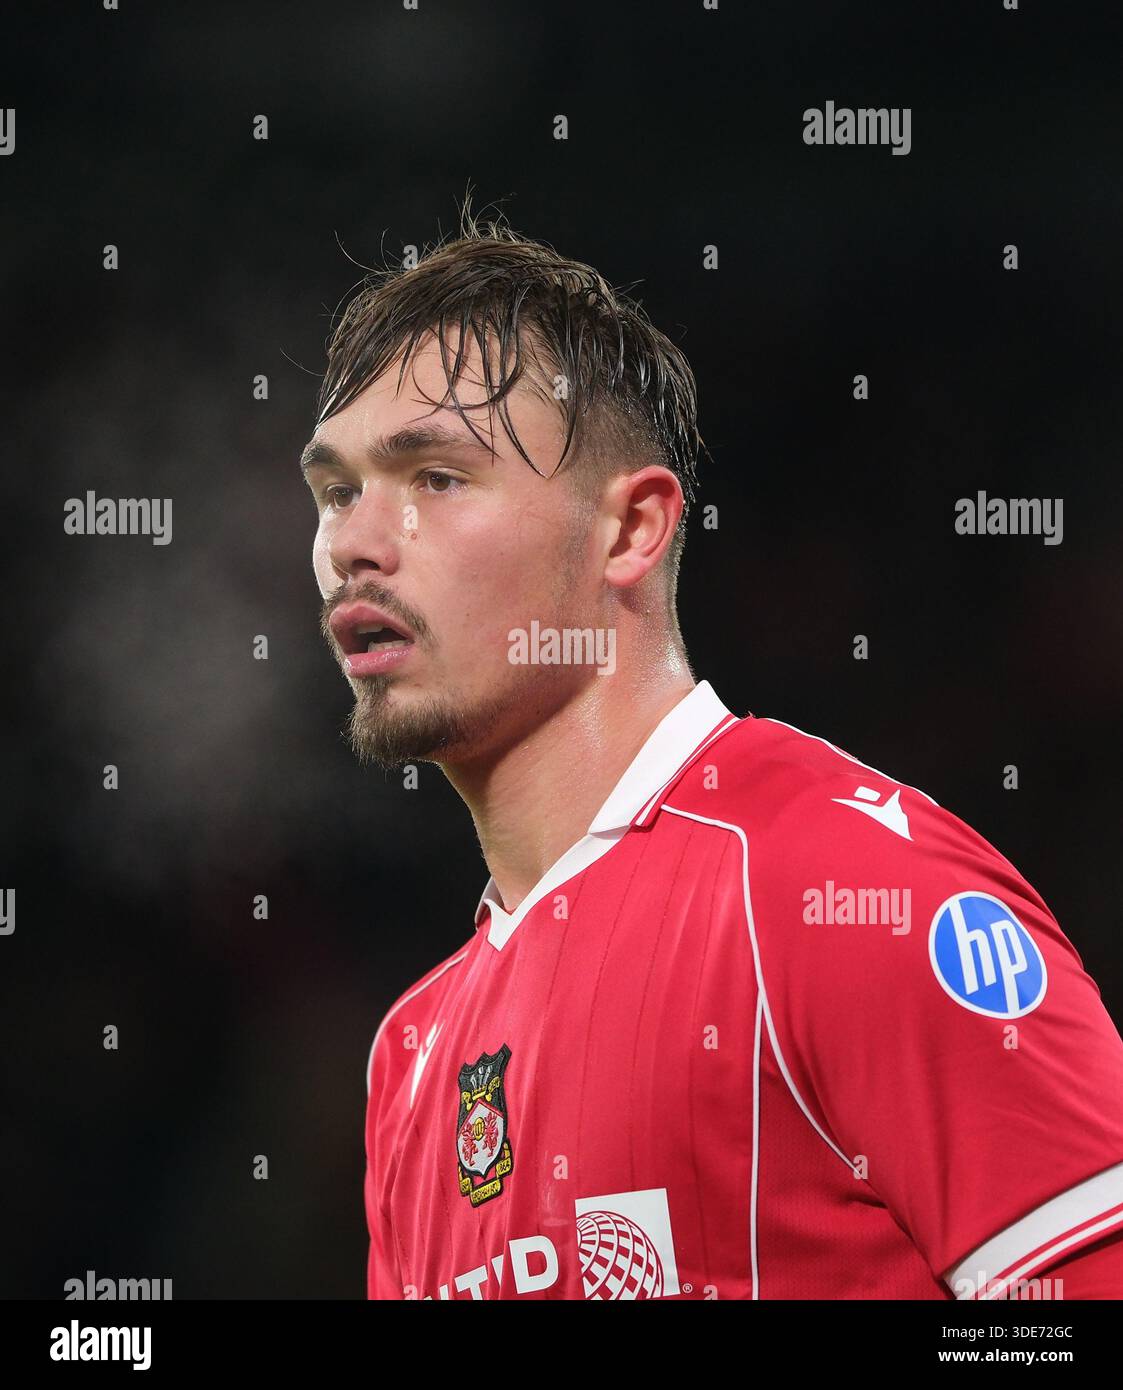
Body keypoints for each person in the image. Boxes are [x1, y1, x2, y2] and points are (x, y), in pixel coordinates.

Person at [300, 209, 1123, 1300]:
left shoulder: (840, 889)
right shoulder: (411, 1051)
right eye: (337, 490)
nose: (356, 540)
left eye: (436, 479)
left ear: (631, 531)